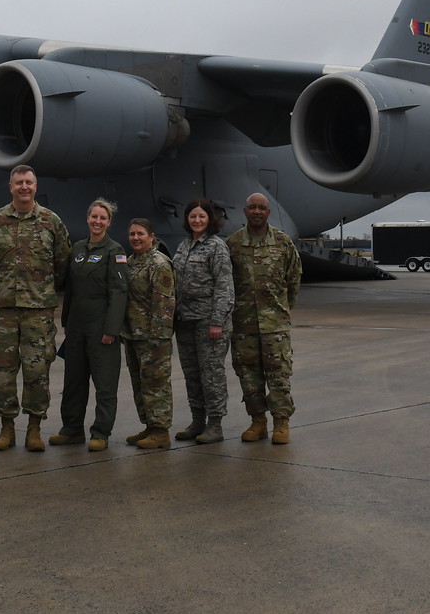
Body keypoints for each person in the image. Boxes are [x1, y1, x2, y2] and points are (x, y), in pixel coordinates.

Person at [0, 164, 70, 451]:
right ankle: (6, 428)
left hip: (38, 312)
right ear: (11, 187)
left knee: (37, 371)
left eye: (28, 182)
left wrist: (40, 291)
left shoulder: (52, 222)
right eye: (19, 183)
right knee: (3, 372)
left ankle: (34, 428)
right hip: (3, 311)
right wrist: (2, 289)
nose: (24, 187)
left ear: (35, 186)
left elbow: (61, 263)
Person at [53, 199, 129, 451]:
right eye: (94, 217)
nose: (98, 222)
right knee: (73, 382)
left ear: (109, 222)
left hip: (101, 327)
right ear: (87, 218)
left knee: (104, 384)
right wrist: (66, 321)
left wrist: (111, 329)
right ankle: (71, 428)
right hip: (76, 326)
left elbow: (119, 292)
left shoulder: (114, 251)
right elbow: (71, 289)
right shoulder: (77, 248)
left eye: (103, 218)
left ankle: (101, 432)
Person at [228, 192, 302, 444]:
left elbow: (294, 278)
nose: (257, 211)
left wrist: (281, 309)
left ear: (268, 212)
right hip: (244, 324)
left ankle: (281, 423)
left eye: (261, 208)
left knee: (279, 375)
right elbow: (228, 283)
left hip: (275, 326)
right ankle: (258, 421)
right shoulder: (233, 244)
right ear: (245, 211)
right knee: (248, 376)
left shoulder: (282, 242)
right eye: (252, 208)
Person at [171, 196, 234, 444]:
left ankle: (215, 424)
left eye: (202, 216)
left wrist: (217, 321)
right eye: (193, 216)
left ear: (210, 219)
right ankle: (198, 420)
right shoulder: (183, 246)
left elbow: (224, 286)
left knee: (212, 374)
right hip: (185, 320)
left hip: (208, 322)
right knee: (192, 374)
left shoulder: (217, 247)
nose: (197, 220)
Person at [119, 216, 176, 450]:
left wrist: (158, 337)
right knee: (140, 384)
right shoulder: (131, 262)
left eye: (140, 234)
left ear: (151, 237)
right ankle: (150, 426)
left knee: (156, 383)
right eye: (132, 234)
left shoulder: (159, 263)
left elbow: (164, 304)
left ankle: (161, 431)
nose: (135, 238)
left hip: (153, 337)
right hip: (133, 334)